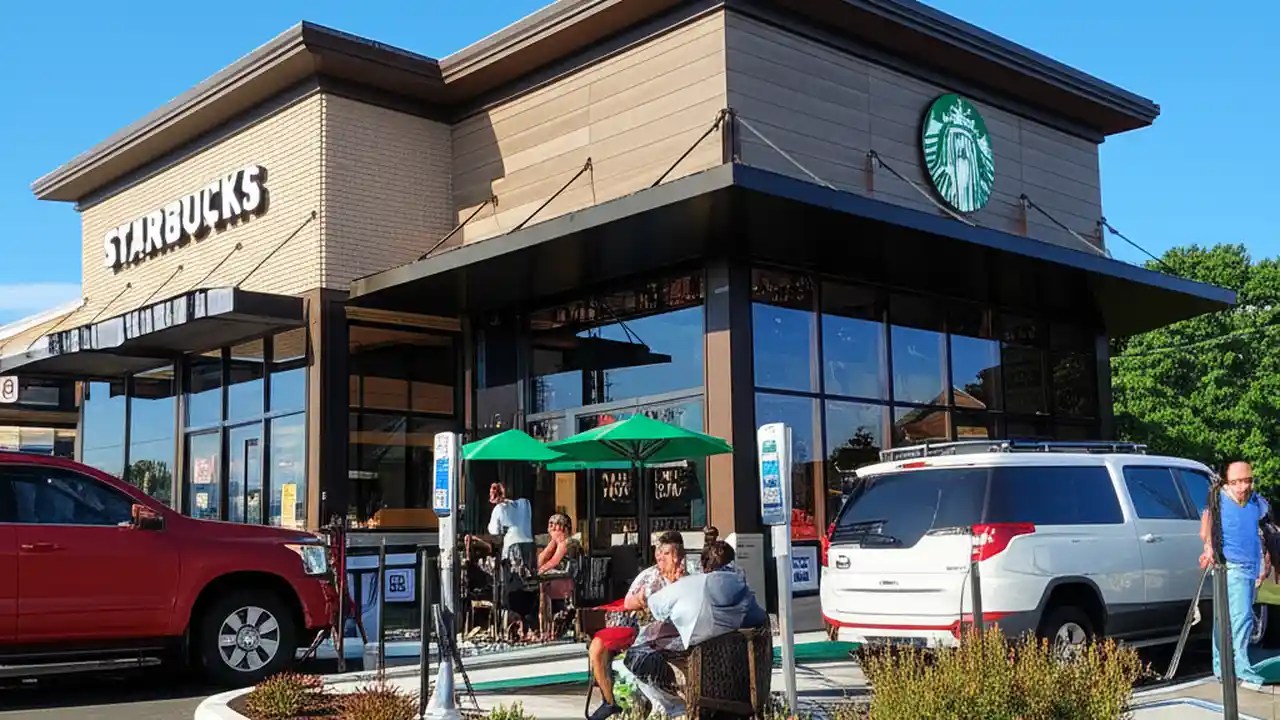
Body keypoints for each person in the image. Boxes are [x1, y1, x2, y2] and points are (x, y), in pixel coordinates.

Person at [628, 540, 768, 717]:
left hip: (701, 667)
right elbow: (761, 620)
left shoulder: (691, 584)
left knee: (636, 653)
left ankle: (672, 706)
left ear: (702, 565)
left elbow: (656, 607)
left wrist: (672, 587)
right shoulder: (742, 588)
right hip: (738, 674)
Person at [587, 531, 686, 720]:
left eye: (665, 553)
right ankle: (611, 702)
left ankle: (671, 704)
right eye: (658, 551)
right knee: (629, 654)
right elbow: (628, 602)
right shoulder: (649, 576)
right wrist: (642, 600)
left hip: (681, 630)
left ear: (678, 555)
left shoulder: (690, 574)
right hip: (648, 631)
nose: (659, 556)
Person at [1199, 461, 1273, 685]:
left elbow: (1266, 531)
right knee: (1238, 619)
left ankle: (1223, 668)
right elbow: (1206, 527)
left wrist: (1265, 564)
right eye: (1237, 482)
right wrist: (1209, 548)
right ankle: (1239, 667)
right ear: (1227, 482)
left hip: (1250, 567)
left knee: (1232, 618)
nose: (1242, 486)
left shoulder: (1256, 501)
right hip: (1230, 566)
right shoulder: (1218, 500)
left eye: (1247, 480)